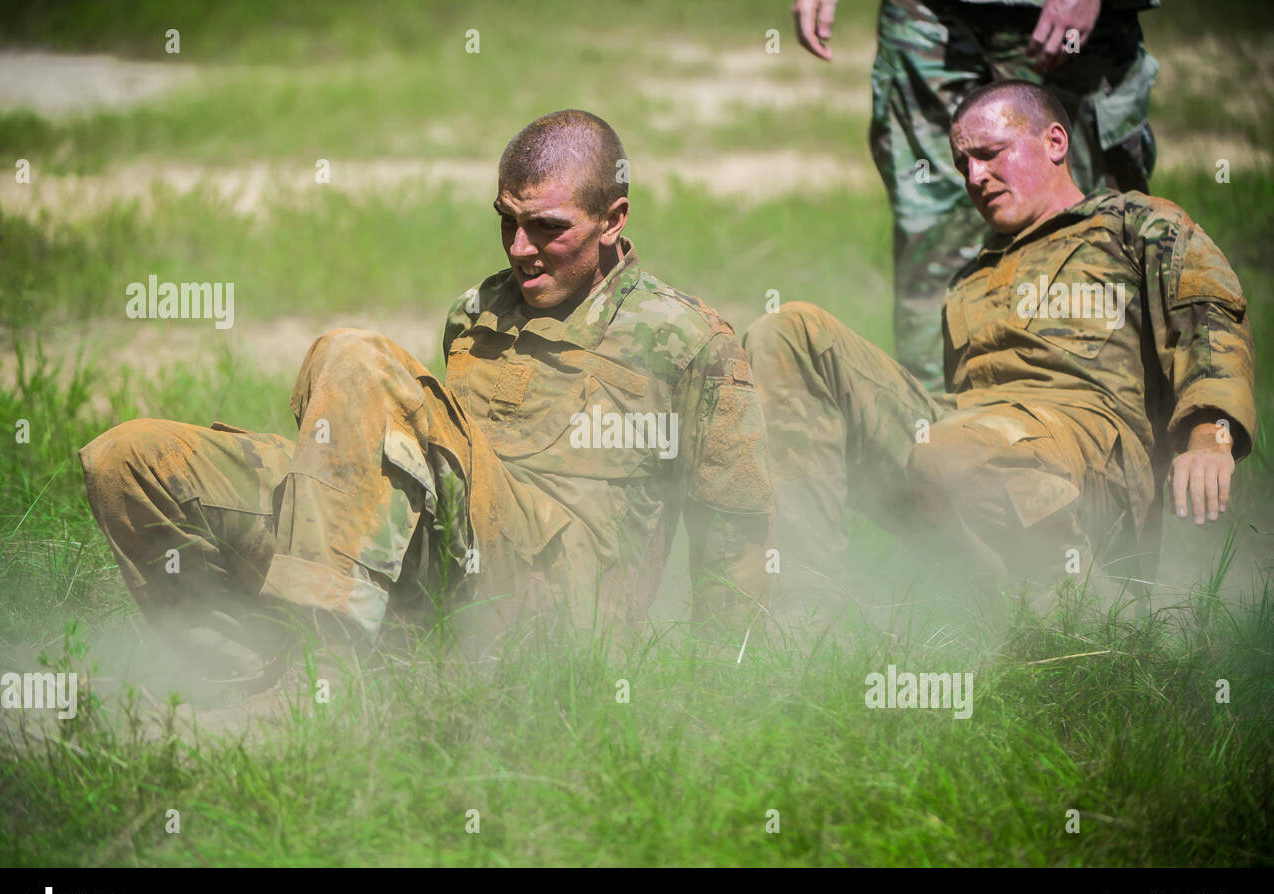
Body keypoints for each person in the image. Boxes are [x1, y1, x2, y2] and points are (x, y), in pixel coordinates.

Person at [80, 109, 773, 691]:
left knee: (355, 355)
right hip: (453, 563)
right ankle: (247, 691)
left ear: (613, 219)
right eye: (507, 221)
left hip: (562, 617)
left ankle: (324, 683)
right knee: (133, 458)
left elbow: (735, 534)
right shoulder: (478, 308)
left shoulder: (689, 340)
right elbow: (436, 464)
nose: (521, 248)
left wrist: (713, 698)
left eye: (548, 228)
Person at [743, 80, 1254, 594]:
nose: (974, 176)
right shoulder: (971, 277)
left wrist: (1211, 436)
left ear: (1055, 142)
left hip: (1089, 457)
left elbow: (1209, 315)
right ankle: (803, 605)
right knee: (787, 331)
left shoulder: (1134, 225)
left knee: (954, 448)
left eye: (989, 154)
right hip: (965, 444)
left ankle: (1084, 611)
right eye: (963, 163)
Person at [793, 0, 1159, 389]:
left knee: (1088, 231)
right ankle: (939, 427)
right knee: (933, 238)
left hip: (1058, 22)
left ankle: (1106, 425)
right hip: (926, 15)